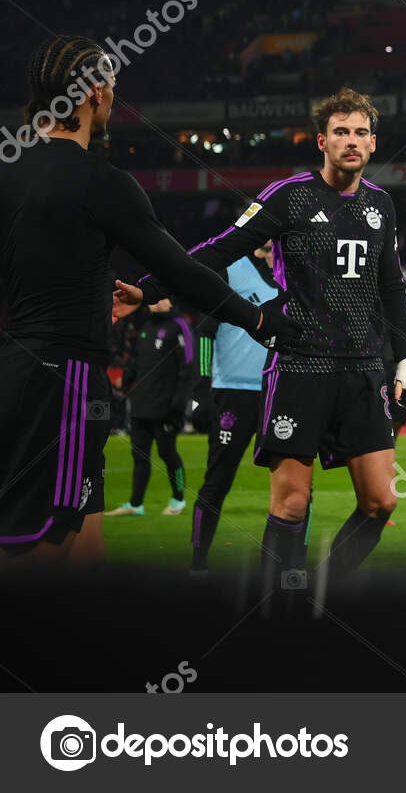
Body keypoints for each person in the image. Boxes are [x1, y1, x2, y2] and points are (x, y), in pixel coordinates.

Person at [120, 87, 406, 590]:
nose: (351, 141)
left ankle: (319, 590)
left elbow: (391, 286)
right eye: (340, 132)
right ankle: (278, 611)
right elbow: (217, 251)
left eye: (360, 133)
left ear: (373, 143)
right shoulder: (289, 196)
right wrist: (148, 288)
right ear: (322, 142)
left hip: (363, 368)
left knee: (381, 503)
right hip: (300, 365)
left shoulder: (382, 206)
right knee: (290, 503)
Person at [2, 34, 291, 561]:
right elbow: (182, 270)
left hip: (19, 368)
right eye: (111, 85)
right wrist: (258, 320)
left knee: (86, 546)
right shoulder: (100, 181)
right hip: (62, 379)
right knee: (38, 552)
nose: (113, 97)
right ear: (93, 94)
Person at [189, 240, 280, 574]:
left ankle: (286, 567)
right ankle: (198, 564)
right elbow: (204, 332)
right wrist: (200, 392)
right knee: (218, 481)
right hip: (233, 392)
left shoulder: (296, 275)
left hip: (280, 391)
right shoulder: (232, 269)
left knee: (296, 488)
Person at [106, 298, 195, 519]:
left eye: (158, 299)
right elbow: (135, 362)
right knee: (139, 456)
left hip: (166, 408)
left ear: (169, 301)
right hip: (141, 406)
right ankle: (136, 504)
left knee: (168, 454)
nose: (153, 303)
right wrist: (125, 379)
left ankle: (179, 499)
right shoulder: (145, 327)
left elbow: (187, 368)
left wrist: (178, 405)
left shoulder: (179, 325)